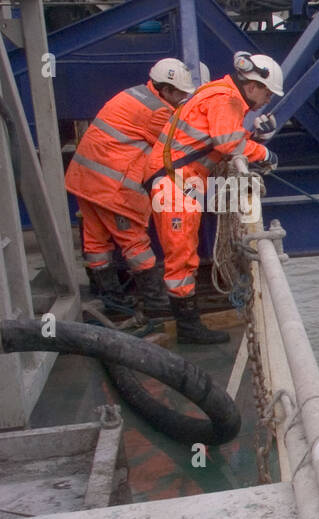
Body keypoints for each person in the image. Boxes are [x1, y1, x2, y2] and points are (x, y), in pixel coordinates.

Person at [147, 51, 283, 344]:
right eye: (267, 94)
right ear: (253, 86)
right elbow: (227, 144)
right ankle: (188, 327)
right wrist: (264, 153)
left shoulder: (220, 93)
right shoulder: (227, 99)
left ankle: (187, 321)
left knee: (183, 253)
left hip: (178, 179)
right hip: (174, 183)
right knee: (181, 257)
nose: (266, 102)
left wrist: (255, 139)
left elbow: (224, 137)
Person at [65, 57, 195, 315]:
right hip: (111, 188)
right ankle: (157, 304)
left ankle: (112, 302)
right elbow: (180, 147)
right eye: (180, 93)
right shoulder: (158, 112)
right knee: (135, 245)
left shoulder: (134, 94)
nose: (182, 98)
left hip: (85, 180)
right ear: (165, 89)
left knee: (96, 243)